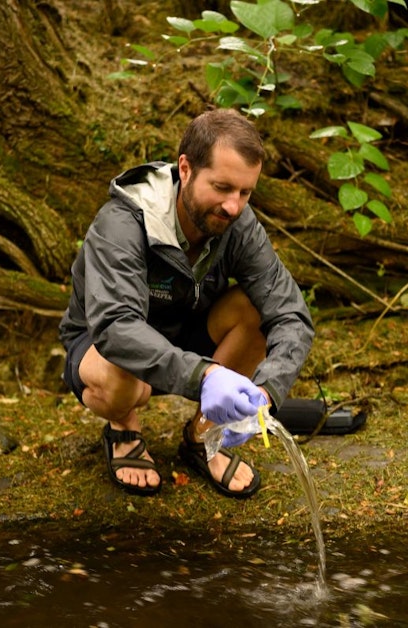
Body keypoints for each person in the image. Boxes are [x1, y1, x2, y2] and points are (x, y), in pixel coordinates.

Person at [58, 108, 314, 498]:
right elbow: (116, 327)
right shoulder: (123, 222)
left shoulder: (238, 225)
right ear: (186, 169)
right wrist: (207, 376)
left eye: (245, 192)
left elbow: (291, 314)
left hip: (186, 331)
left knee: (256, 309)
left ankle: (205, 435)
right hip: (106, 345)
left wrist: (265, 392)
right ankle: (124, 428)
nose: (234, 206)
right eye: (223, 187)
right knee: (122, 381)